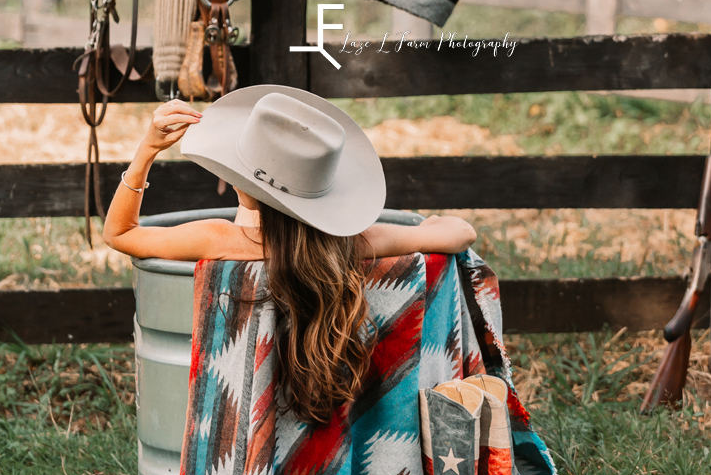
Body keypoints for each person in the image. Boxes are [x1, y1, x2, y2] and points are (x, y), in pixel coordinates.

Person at [103, 85, 475, 425]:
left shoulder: (220, 240)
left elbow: (119, 232)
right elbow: (462, 234)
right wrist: (431, 224)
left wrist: (147, 151)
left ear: (245, 189)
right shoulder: (356, 244)